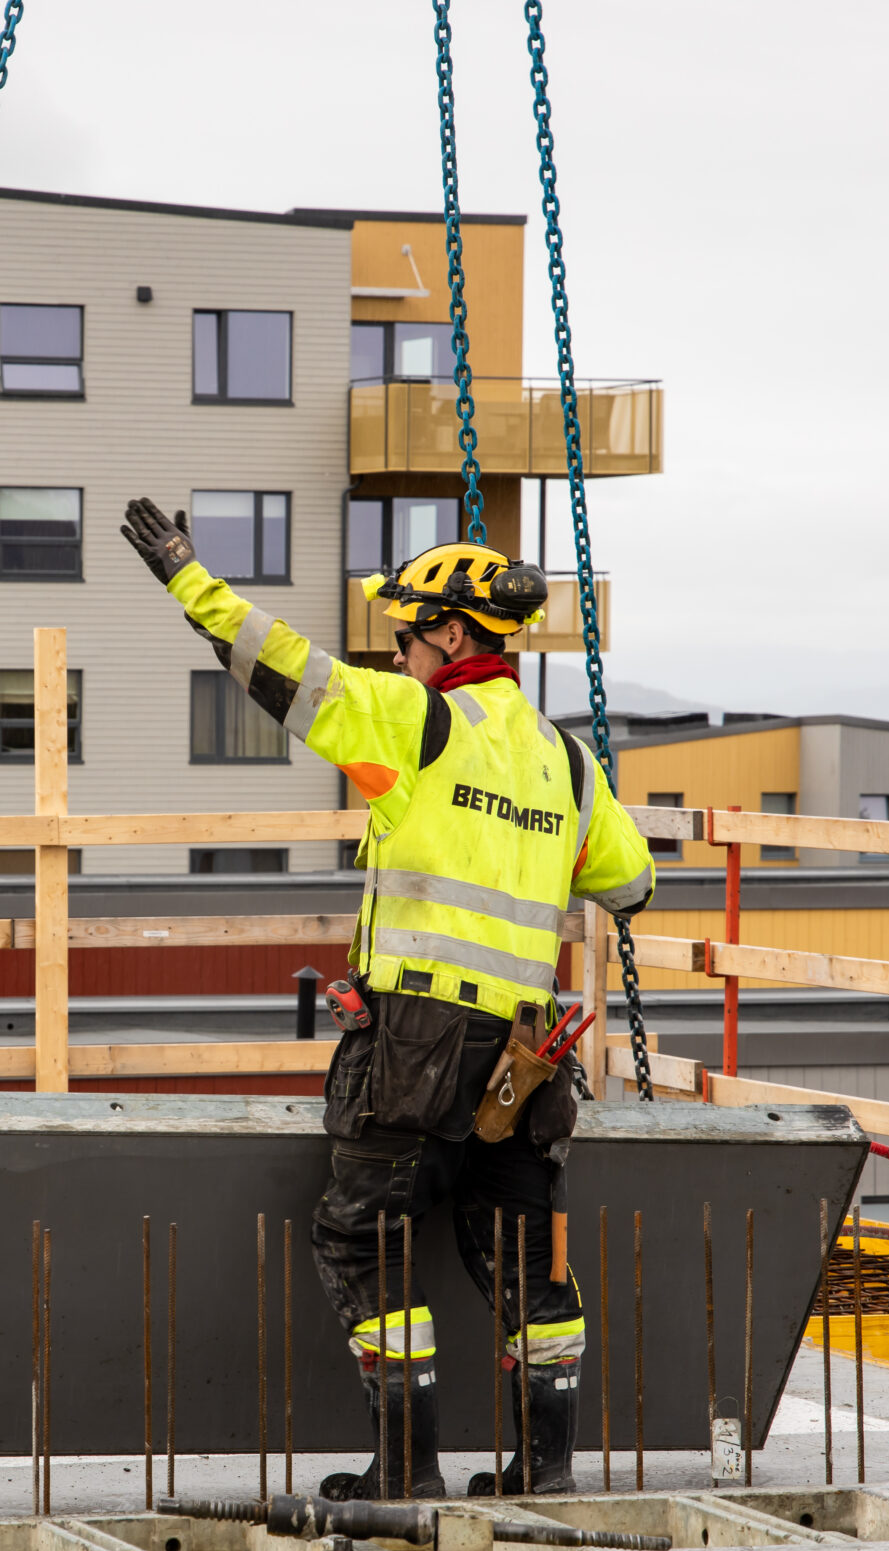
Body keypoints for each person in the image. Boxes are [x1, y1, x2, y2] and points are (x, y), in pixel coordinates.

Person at [121, 498, 654, 1497]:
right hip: (523, 1056)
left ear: (451, 636)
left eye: (405, 638)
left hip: (416, 1039)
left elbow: (284, 668)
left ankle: (404, 1471)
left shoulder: (419, 720)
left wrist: (188, 577)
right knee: (522, 1254)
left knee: (360, 1233)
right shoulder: (569, 763)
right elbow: (630, 886)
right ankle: (543, 1473)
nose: (397, 656)